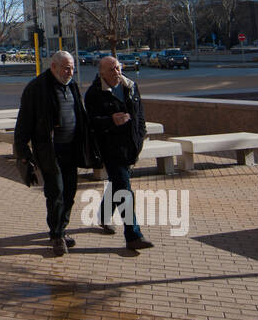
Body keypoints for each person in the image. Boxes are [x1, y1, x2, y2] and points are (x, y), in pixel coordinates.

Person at [13, 50, 97, 256]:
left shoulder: (72, 86)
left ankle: (62, 227)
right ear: (54, 67)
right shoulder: (37, 88)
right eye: (66, 68)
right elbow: (23, 122)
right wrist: (22, 150)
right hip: (49, 150)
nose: (69, 72)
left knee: (69, 192)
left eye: (72, 68)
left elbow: (80, 115)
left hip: (71, 148)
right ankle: (57, 235)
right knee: (56, 191)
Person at [84, 55, 154, 251]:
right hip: (110, 149)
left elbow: (140, 114)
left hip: (130, 146)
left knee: (117, 183)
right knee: (125, 189)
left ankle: (104, 216)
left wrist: (140, 135)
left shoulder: (130, 86)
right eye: (111, 69)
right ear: (102, 73)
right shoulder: (94, 94)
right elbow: (91, 123)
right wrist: (110, 121)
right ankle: (133, 235)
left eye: (118, 67)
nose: (116, 72)